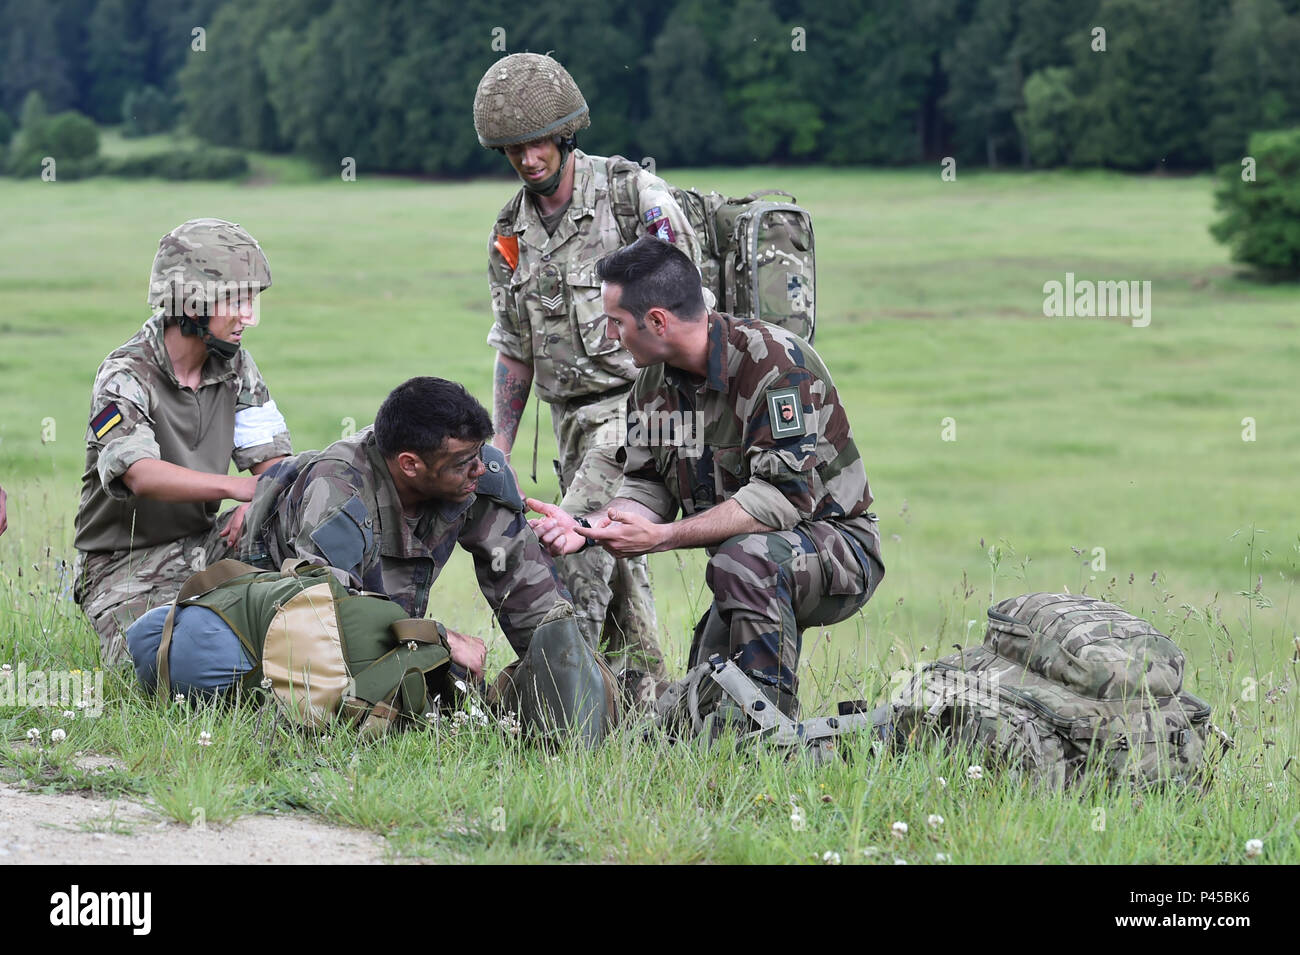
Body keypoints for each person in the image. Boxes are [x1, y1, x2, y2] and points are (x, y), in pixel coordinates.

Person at [528, 236, 885, 724]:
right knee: (688, 718)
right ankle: (745, 733)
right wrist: (588, 527)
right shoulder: (653, 384)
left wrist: (662, 538)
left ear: (657, 321)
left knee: (746, 563)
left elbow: (779, 499)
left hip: (840, 547)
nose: (610, 337)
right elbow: (647, 482)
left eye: (616, 323)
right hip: (746, 566)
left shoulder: (777, 367)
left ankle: (772, 740)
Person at [474, 52, 704, 680]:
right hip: (572, 425)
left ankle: (561, 705)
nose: (528, 159)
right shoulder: (509, 233)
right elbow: (515, 348)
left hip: (642, 413)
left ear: (566, 132)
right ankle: (645, 709)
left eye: (539, 142)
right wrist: (497, 448)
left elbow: (693, 310)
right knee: (622, 575)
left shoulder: (634, 198)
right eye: (513, 149)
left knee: (567, 547)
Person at [239, 376, 574, 676]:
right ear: (410, 465)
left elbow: (533, 595)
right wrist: (439, 638)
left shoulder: (471, 470)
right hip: (258, 621)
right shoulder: (339, 492)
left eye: (478, 453)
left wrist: (570, 672)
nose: (479, 469)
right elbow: (325, 613)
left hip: (363, 625)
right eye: (463, 462)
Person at [73, 218, 291, 665]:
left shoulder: (237, 367)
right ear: (192, 304)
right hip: (124, 566)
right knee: (172, 658)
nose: (249, 316)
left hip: (206, 542)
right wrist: (236, 489)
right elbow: (139, 474)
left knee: (296, 518)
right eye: (236, 300)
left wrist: (258, 500)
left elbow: (273, 465)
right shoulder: (123, 374)